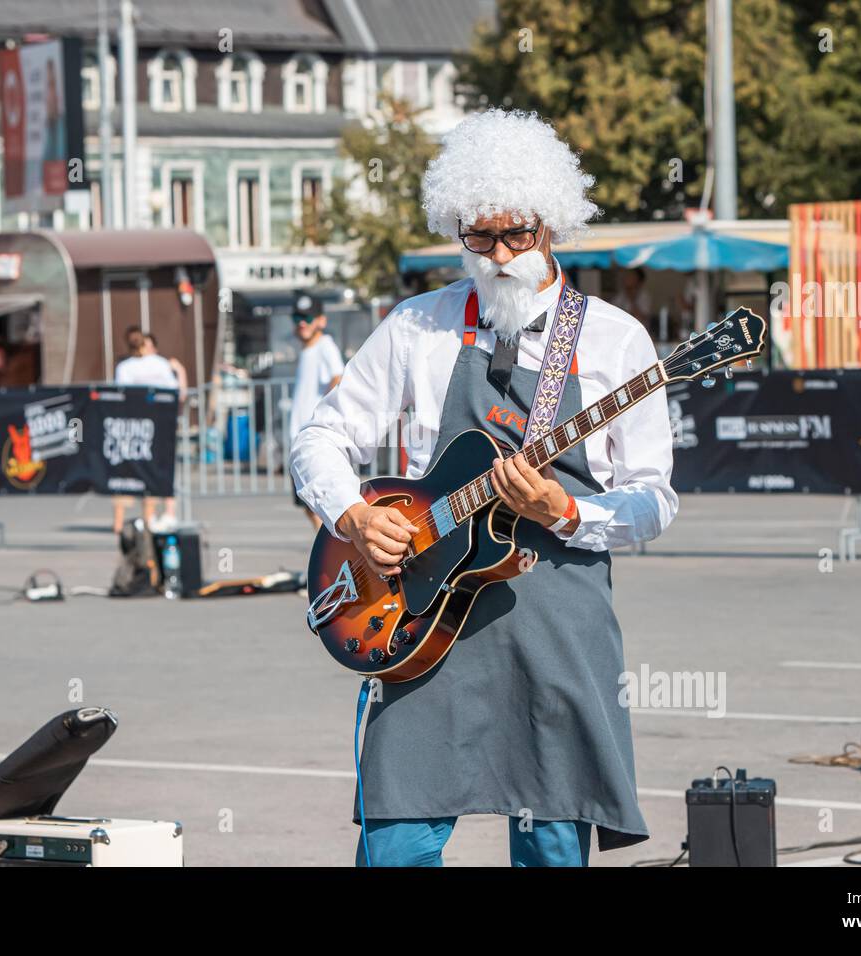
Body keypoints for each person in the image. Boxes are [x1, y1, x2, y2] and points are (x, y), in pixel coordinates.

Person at [290, 109, 678, 867]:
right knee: (394, 843)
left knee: (551, 852)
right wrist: (353, 515)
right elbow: (319, 436)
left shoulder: (614, 339)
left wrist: (564, 510)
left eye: (517, 235)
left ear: (553, 225)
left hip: (556, 623)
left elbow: (653, 500)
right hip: (424, 616)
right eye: (478, 236)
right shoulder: (418, 325)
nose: (498, 255)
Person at [113, 332, 187, 533]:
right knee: (154, 470)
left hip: (133, 426)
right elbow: (175, 392)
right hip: (156, 424)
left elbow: (120, 394)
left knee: (127, 471)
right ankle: (148, 519)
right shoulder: (160, 364)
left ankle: (120, 523)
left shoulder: (125, 367)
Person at [287, 295, 343, 530]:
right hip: (299, 439)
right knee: (308, 506)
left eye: (308, 318)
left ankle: (332, 561)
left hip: (314, 439)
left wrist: (321, 414)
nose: (302, 323)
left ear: (320, 320)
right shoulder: (307, 351)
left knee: (319, 506)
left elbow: (338, 377)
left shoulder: (325, 345)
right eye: (298, 318)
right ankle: (329, 562)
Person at [611, 267, 653, 331]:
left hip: (640, 332)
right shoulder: (621, 295)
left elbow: (641, 318)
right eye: (627, 276)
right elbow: (612, 312)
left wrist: (632, 299)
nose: (626, 278)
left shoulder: (644, 296)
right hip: (623, 331)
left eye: (631, 276)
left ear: (639, 281)